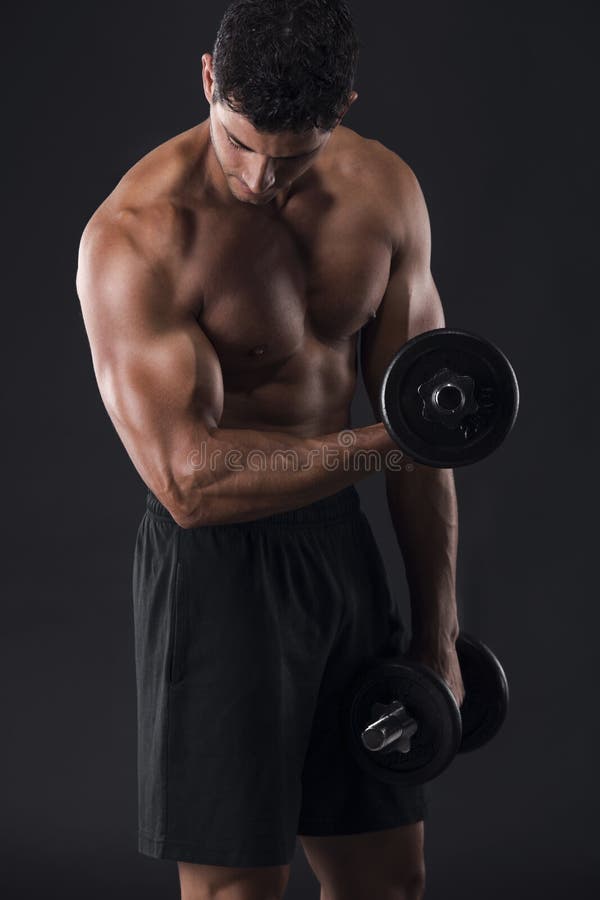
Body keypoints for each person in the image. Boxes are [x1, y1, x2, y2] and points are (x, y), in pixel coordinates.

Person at [76, 1, 465, 898]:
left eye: (291, 155)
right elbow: (188, 483)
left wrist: (438, 637)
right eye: (240, 143)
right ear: (209, 80)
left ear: (346, 106)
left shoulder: (385, 193)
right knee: (237, 890)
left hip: (341, 550)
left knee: (387, 880)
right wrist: (396, 439)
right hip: (215, 572)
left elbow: (427, 431)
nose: (259, 178)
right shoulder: (137, 235)